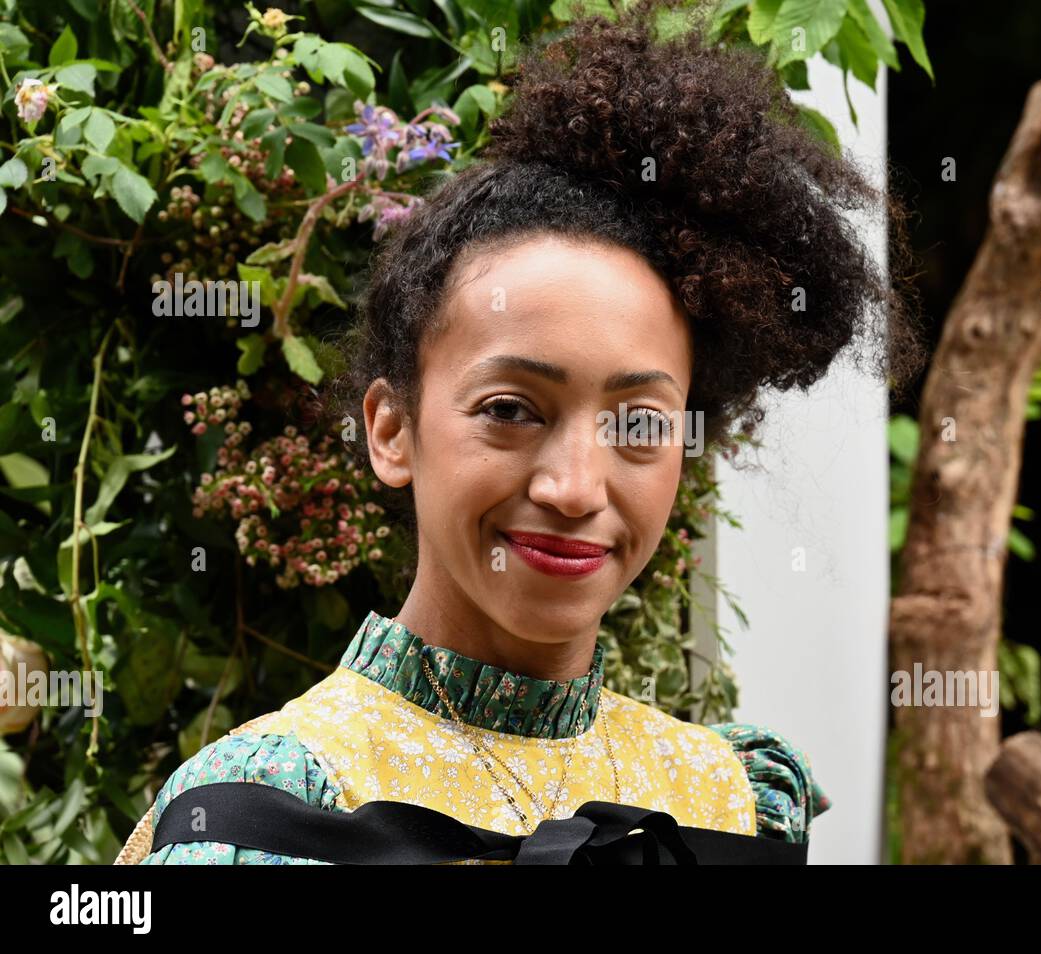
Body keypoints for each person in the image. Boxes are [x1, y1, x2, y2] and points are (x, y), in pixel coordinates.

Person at [118, 0, 920, 865]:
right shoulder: (264, 808)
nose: (575, 487)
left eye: (639, 423)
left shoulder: (730, 801)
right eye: (509, 410)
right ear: (391, 431)